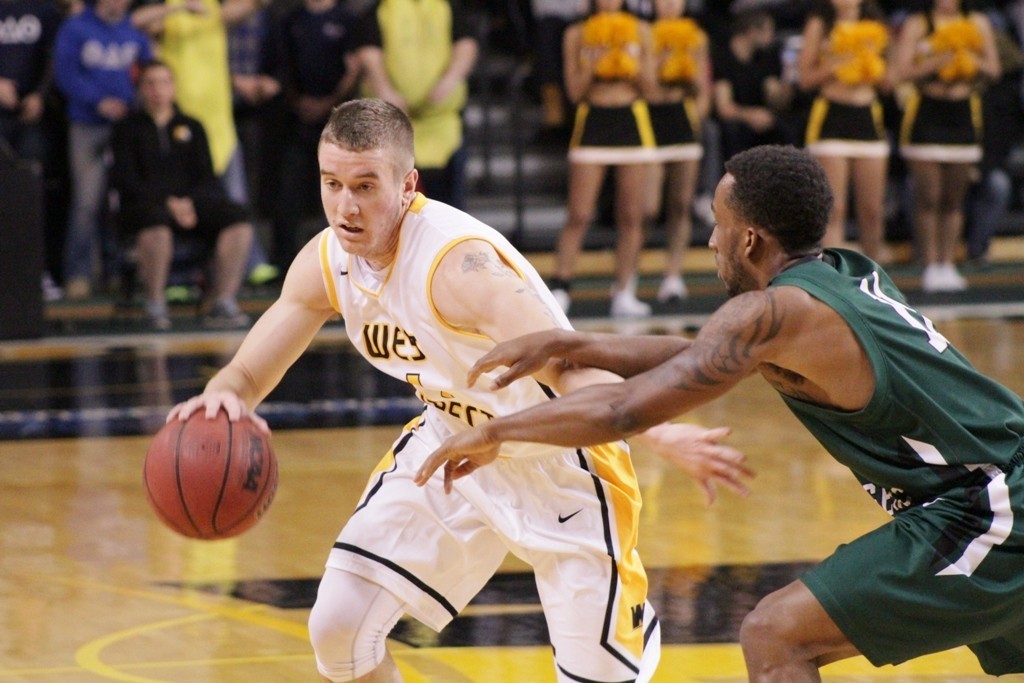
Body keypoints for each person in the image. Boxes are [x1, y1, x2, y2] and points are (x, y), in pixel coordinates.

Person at [166, 98, 752, 683]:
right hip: (454, 449)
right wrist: (224, 397)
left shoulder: (459, 267)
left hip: (565, 458)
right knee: (338, 625)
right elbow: (247, 372)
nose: (345, 206)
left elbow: (573, 367)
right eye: (332, 183)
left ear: (407, 185)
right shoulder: (328, 261)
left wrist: (660, 429)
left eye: (366, 186)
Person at [418, 144, 1024, 681]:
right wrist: (571, 344)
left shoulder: (770, 315)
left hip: (991, 506)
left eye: (717, 223)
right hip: (997, 487)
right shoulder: (840, 276)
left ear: (749, 239)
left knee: (775, 635)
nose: (711, 239)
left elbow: (626, 410)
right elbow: (705, 356)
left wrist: (496, 430)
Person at [110, 60, 254, 330]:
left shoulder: (192, 125)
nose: (158, 90)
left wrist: (188, 202)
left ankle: (223, 301)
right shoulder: (127, 129)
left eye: (164, 82)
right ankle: (155, 303)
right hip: (146, 206)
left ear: (174, 88)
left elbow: (207, 177)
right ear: (140, 89)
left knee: (237, 217)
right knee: (155, 222)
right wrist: (169, 202)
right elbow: (126, 180)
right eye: (150, 83)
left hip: (190, 205)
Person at [549, 0, 657, 318]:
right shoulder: (576, 33)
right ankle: (560, 288)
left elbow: (650, 88)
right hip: (592, 122)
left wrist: (627, 64)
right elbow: (574, 91)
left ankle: (624, 291)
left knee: (631, 215)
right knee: (579, 214)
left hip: (631, 122)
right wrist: (594, 65)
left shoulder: (642, 30)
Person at [889, 0, 1000, 292]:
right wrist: (937, 61)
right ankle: (929, 264)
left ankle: (947, 263)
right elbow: (900, 72)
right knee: (929, 196)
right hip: (926, 115)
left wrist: (969, 60)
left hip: (963, 115)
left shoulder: (977, 22)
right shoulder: (918, 23)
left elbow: (994, 69)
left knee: (953, 197)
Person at [54, 0, 153, 299]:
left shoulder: (133, 31)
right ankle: (78, 274)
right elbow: (65, 73)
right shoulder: (76, 28)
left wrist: (136, 103)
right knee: (86, 202)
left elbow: (145, 71)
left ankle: (116, 273)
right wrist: (97, 101)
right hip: (87, 125)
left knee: (121, 201)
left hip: (126, 128)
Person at [260, 0, 361, 269]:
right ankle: (286, 264)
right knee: (289, 192)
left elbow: (354, 67)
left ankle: (345, 260)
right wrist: (297, 101)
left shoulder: (347, 19)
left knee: (342, 190)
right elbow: (281, 65)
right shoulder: (290, 20)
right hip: (295, 121)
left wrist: (329, 103)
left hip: (339, 122)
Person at [356, 0, 479, 210]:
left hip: (444, 125)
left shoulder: (448, 7)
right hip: (392, 129)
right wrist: (387, 93)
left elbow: (467, 45)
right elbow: (369, 54)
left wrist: (449, 81)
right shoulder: (378, 10)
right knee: (397, 209)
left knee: (450, 210)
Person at [797, 0, 892, 264]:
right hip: (831, 117)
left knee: (872, 210)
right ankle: (835, 280)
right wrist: (838, 62)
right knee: (834, 208)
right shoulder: (820, 23)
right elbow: (804, 79)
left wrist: (869, 59)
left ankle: (875, 283)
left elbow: (889, 82)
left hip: (867, 117)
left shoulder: (875, 24)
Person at [645, 0, 709, 303]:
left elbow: (701, 87)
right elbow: (648, 88)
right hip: (648, 122)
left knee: (681, 204)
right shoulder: (643, 33)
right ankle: (631, 276)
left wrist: (689, 82)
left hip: (682, 122)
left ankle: (672, 276)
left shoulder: (696, 36)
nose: (669, 5)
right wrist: (663, 65)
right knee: (647, 207)